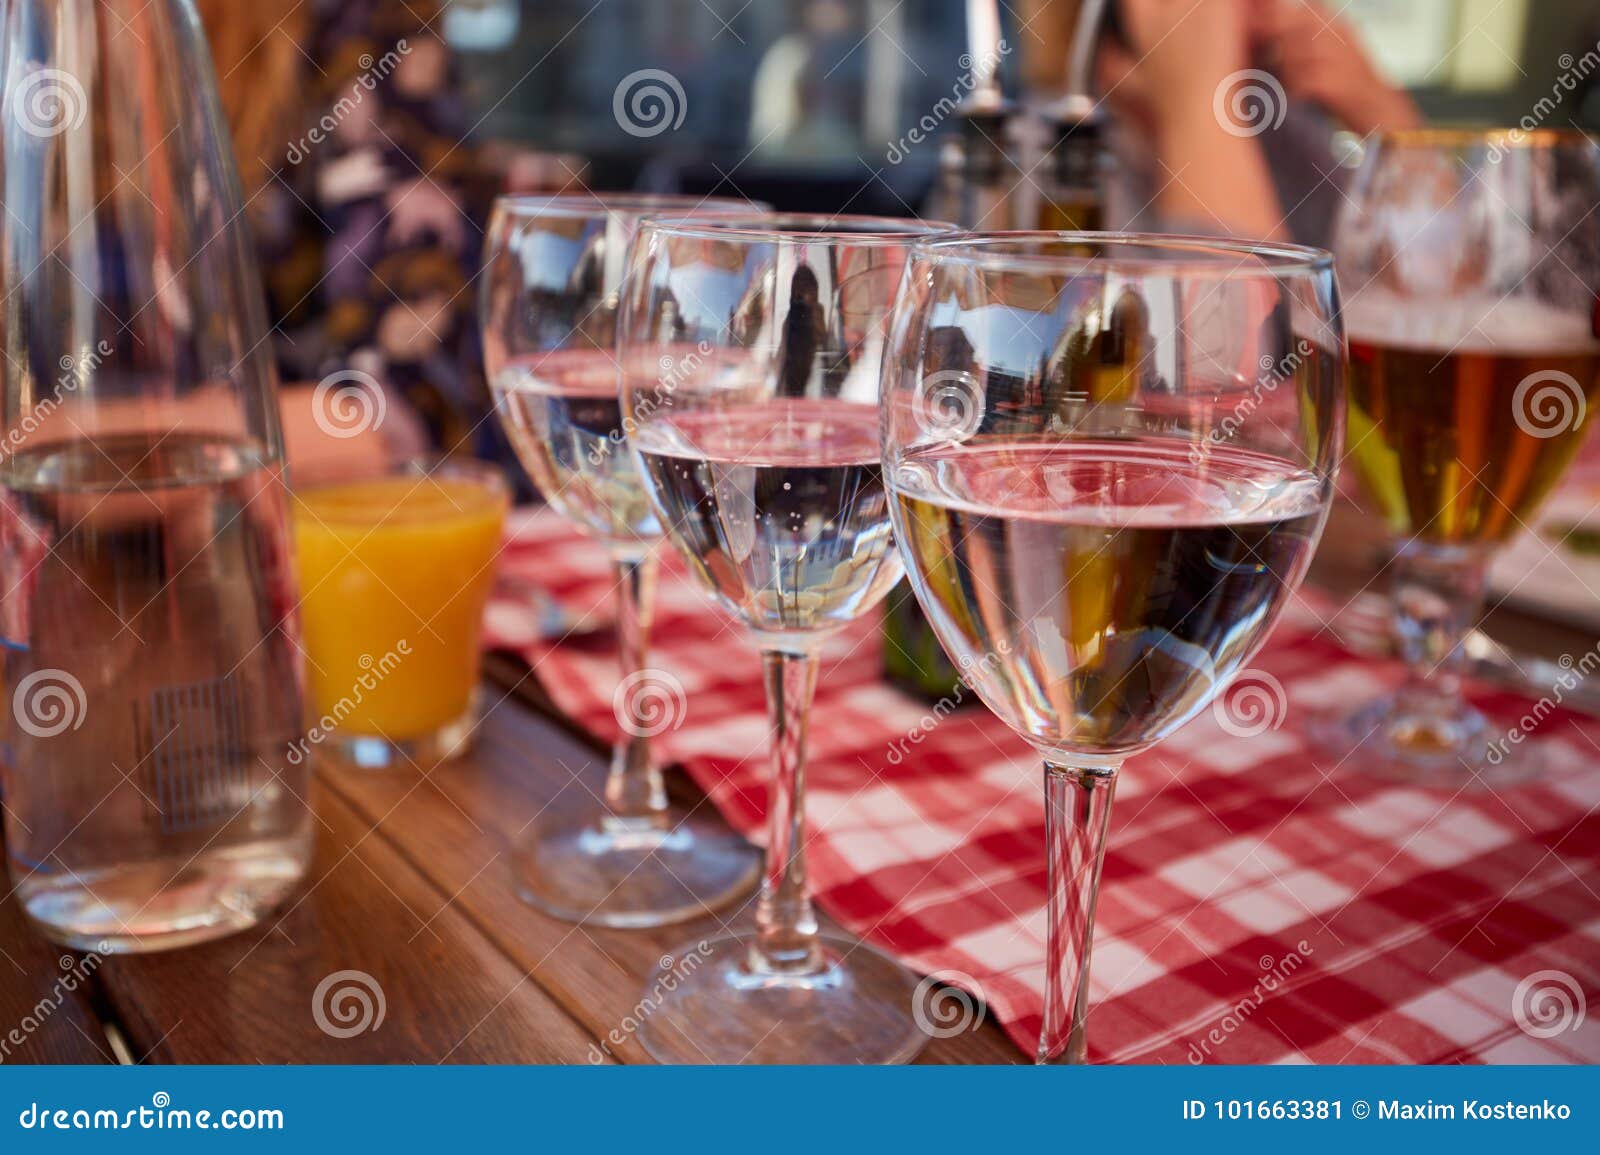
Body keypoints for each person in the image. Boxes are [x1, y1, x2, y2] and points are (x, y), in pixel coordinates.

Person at [195, 0, 513, 483]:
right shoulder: (63, 53)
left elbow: (404, 416)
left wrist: (130, 441)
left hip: (328, 536)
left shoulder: (361, 25)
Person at [1030, 0, 1421, 246]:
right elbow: (1224, 361)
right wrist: (1199, 102)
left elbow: (1442, 300)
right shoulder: (1041, 150)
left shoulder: (1284, 134)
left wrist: (1388, 118)